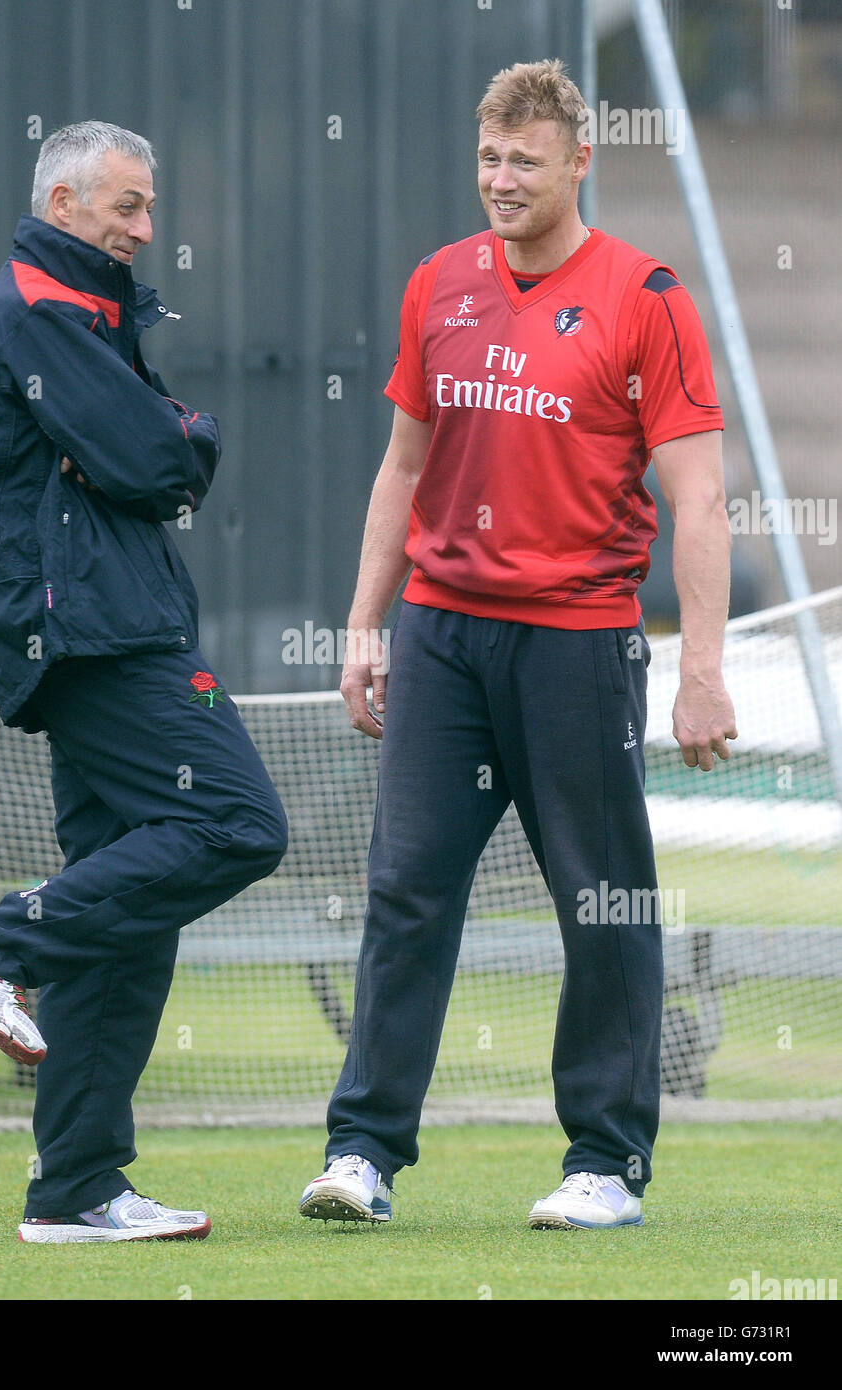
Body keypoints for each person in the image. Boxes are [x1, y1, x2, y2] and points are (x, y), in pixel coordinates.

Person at [299, 60, 736, 1231]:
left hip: (578, 645)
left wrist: (701, 667)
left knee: (601, 904)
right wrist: (362, 628)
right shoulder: (438, 282)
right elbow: (401, 468)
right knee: (403, 890)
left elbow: (699, 498)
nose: (500, 180)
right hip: (442, 637)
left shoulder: (644, 295)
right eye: (488, 158)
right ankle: (361, 1153)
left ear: (576, 162)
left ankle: (603, 1165)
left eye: (523, 162)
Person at [0, 121, 287, 1243]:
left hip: (100, 624)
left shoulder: (85, 308)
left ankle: (74, 1186)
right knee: (237, 823)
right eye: (125, 205)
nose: (143, 226)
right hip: (96, 637)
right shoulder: (39, 306)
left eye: (149, 205)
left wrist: (167, 435)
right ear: (64, 200)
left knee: (126, 915)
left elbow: (154, 451)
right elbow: (156, 459)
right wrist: (177, 433)